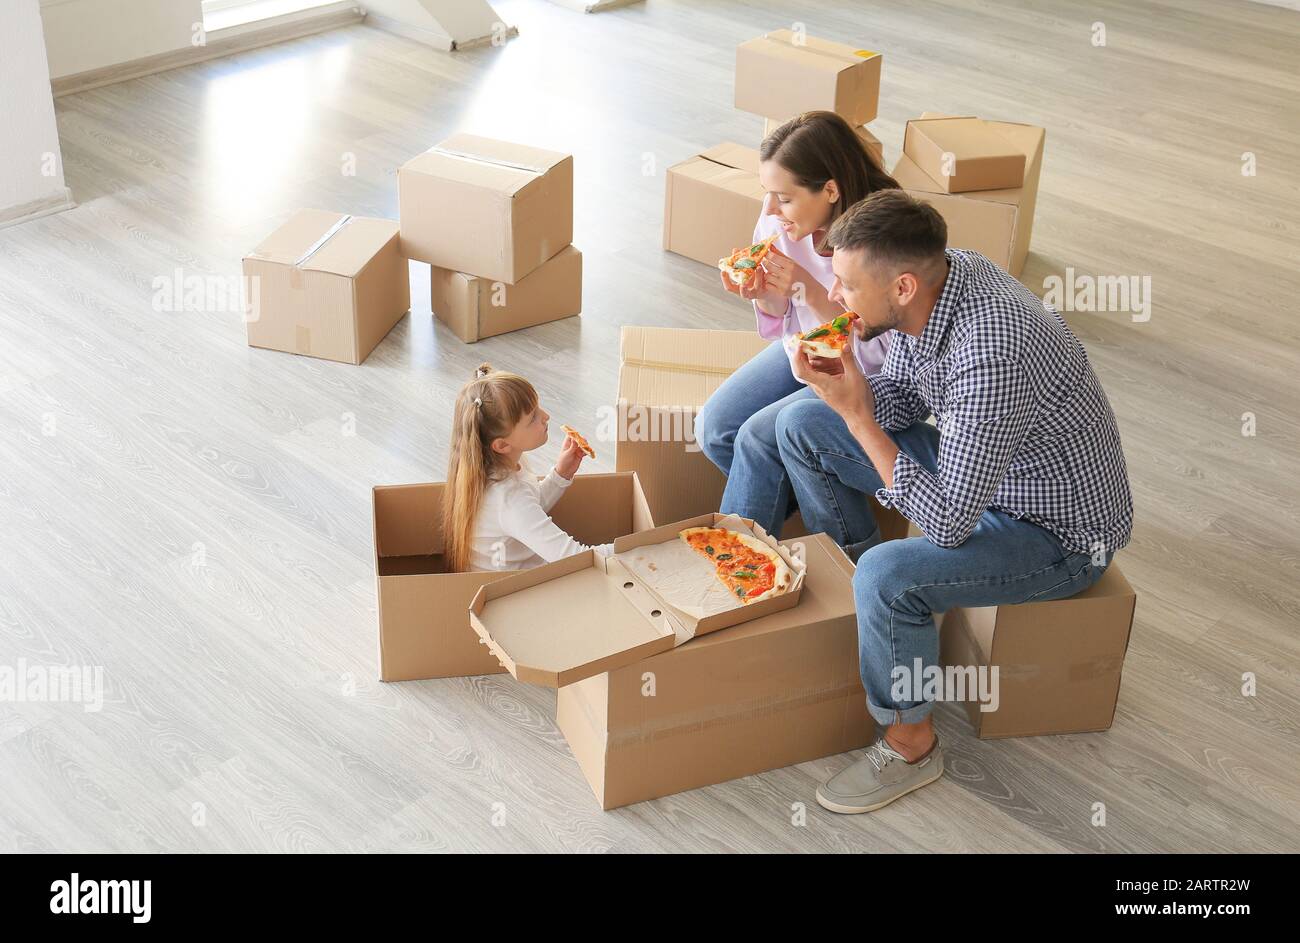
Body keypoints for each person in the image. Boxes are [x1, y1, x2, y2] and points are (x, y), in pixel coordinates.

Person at [768, 190, 1134, 813]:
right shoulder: (943, 277)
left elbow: (944, 522)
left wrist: (858, 415)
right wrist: (844, 391)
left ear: (903, 286)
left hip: (1055, 531)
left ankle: (911, 741)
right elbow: (909, 396)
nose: (835, 297)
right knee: (802, 421)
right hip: (992, 475)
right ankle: (873, 606)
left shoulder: (992, 354)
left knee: (891, 573)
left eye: (848, 285)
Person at [694, 111, 901, 537]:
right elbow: (783, 320)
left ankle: (746, 560)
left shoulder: (883, 236)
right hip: (802, 348)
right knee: (715, 429)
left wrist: (807, 287)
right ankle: (792, 496)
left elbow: (885, 355)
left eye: (783, 197)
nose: (770, 208)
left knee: (755, 439)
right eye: (768, 193)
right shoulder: (778, 219)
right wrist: (764, 295)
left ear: (830, 190)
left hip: (867, 372)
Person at [442, 363, 605, 573]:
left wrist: (560, 475)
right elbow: (573, 557)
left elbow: (529, 509)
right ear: (501, 444)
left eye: (538, 407)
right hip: (516, 592)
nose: (546, 416)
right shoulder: (508, 497)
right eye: (532, 418)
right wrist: (632, 550)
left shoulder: (495, 469)